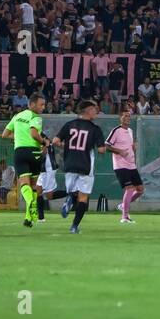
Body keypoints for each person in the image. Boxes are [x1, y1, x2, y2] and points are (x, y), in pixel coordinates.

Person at [52, 99, 115, 235]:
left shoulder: (69, 125)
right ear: (87, 110)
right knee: (83, 198)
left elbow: (55, 141)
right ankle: (74, 226)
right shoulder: (94, 129)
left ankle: (69, 199)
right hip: (85, 165)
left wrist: (68, 146)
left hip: (69, 164)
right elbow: (101, 150)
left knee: (73, 192)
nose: (96, 111)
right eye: (94, 109)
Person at [1, 93, 48, 227]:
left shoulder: (17, 116)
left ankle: (29, 214)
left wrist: (19, 137)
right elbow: (34, 134)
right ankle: (29, 216)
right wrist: (44, 141)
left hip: (20, 151)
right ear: (32, 104)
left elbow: (5, 134)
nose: (43, 107)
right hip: (34, 152)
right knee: (33, 186)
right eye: (41, 104)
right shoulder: (36, 117)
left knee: (24, 184)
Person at [106, 105, 142, 223]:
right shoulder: (116, 130)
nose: (128, 118)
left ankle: (123, 205)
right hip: (120, 165)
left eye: (129, 116)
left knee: (140, 190)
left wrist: (133, 147)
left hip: (131, 164)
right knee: (130, 189)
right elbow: (107, 145)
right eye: (125, 116)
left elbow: (129, 146)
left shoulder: (130, 131)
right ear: (120, 117)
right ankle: (124, 216)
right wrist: (119, 151)